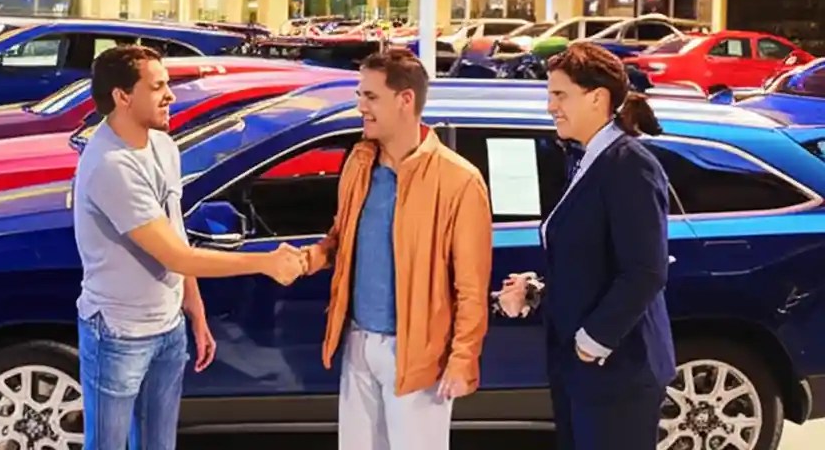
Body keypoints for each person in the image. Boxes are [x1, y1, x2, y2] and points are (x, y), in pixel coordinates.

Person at [73, 44, 307, 450]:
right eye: (158, 86)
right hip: (118, 332)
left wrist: (194, 310)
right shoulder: (110, 165)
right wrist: (265, 262)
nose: (170, 95)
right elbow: (175, 255)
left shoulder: (162, 146)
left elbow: (175, 233)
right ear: (122, 97)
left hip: (167, 328)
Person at [300, 47, 494, 450]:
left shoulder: (459, 181)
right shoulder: (359, 163)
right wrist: (310, 258)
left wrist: (463, 359)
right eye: (360, 95)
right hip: (358, 343)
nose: (360, 107)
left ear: (406, 100)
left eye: (370, 97)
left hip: (420, 355)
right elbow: (342, 239)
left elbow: (472, 287)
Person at [495, 41, 674, 450]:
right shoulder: (586, 158)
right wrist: (538, 289)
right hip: (584, 372)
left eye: (559, 95)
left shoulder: (630, 164)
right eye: (549, 95)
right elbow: (591, 259)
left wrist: (590, 343)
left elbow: (645, 271)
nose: (550, 106)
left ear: (597, 98)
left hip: (618, 371)